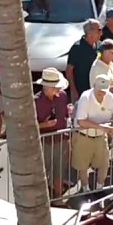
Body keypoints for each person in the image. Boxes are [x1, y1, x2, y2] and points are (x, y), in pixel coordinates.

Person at [73, 73, 113, 190]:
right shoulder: (85, 97)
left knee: (104, 164)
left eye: (104, 90)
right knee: (83, 166)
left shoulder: (109, 97)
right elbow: (81, 121)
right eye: (99, 90)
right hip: (83, 137)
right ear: (93, 86)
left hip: (101, 137)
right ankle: (85, 189)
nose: (101, 93)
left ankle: (99, 188)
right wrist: (102, 127)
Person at [36, 68, 71, 199]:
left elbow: (65, 116)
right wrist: (45, 125)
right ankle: (41, 200)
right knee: (42, 173)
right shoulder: (35, 102)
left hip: (61, 139)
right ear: (47, 87)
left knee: (59, 170)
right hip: (44, 142)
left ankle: (57, 197)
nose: (59, 89)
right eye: (56, 87)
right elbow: (27, 126)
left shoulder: (62, 96)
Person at [66, 19, 102, 99]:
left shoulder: (100, 45)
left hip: (97, 90)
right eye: (99, 30)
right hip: (82, 92)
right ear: (89, 33)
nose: (101, 33)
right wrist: (73, 91)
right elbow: (69, 71)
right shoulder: (77, 48)